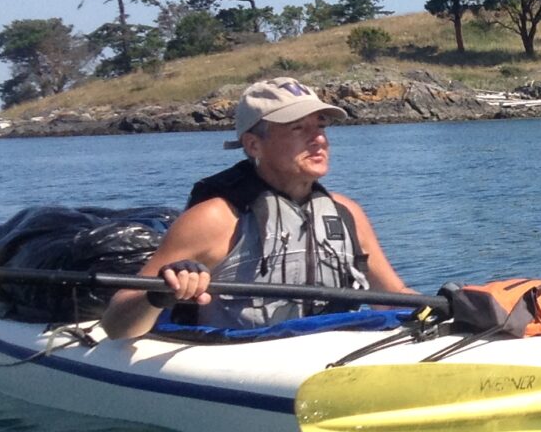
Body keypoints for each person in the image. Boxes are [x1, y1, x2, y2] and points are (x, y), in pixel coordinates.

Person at [102, 77, 410, 338]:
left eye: (320, 126)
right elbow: (116, 325)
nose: (318, 139)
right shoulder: (214, 218)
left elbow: (391, 300)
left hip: (333, 356)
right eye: (297, 128)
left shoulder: (346, 213)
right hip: (243, 366)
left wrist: (450, 301)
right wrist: (159, 294)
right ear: (253, 145)